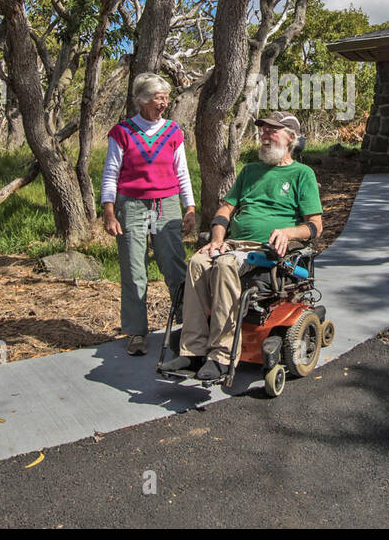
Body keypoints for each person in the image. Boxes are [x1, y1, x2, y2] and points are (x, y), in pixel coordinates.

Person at [161, 112, 323, 381]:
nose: (264, 135)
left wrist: (286, 232)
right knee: (198, 262)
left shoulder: (301, 174)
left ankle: (222, 357)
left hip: (267, 251)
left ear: (290, 138)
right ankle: (192, 353)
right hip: (234, 243)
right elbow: (225, 210)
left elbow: (315, 226)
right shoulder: (249, 171)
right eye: (263, 130)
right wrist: (216, 239)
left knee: (225, 264)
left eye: (272, 131)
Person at [101, 73, 197, 356]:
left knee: (174, 265)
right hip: (131, 205)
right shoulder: (123, 132)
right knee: (134, 269)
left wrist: (188, 207)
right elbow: (110, 174)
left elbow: (182, 172)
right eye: (159, 98)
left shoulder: (173, 131)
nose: (164, 104)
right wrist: (109, 212)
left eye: (167, 98)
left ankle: (186, 326)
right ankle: (136, 332)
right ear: (143, 100)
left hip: (166, 204)